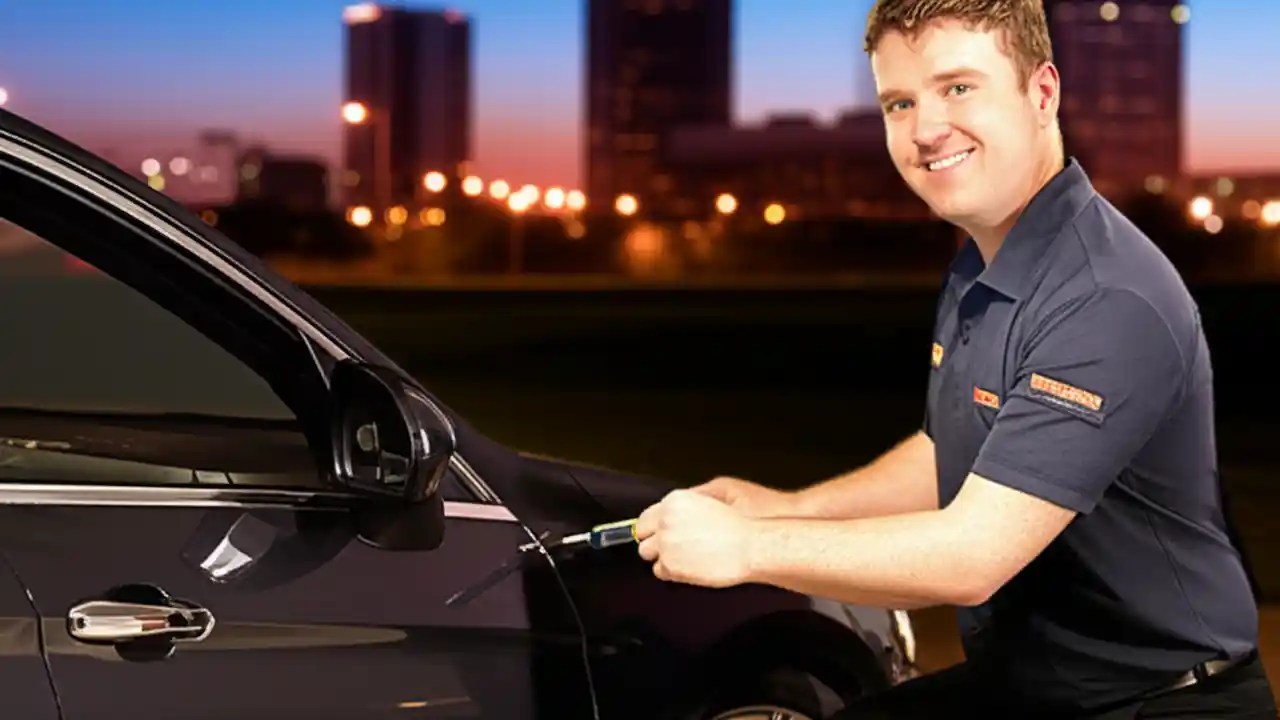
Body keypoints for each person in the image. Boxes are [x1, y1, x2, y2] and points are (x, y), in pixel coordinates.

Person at [633, 0, 1277, 717]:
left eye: (958, 87)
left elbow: (972, 555)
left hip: (1160, 702)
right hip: (1032, 686)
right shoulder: (983, 261)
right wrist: (795, 508)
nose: (926, 129)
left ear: (1041, 93)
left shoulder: (1105, 295)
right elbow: (952, 451)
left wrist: (748, 548)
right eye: (899, 102)